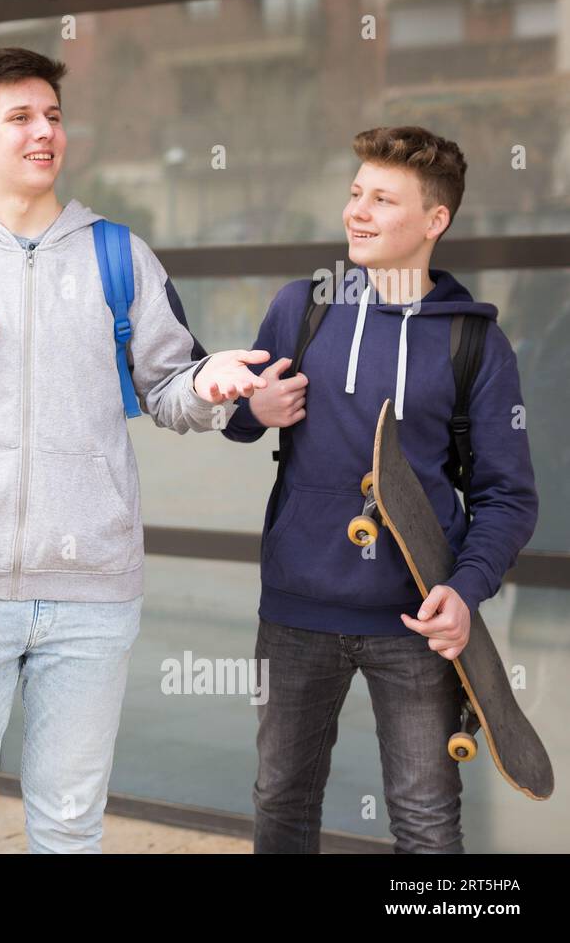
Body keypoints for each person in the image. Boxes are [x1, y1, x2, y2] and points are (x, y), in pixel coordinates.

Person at [0, 47, 267, 853]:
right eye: (21, 118)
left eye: (53, 116)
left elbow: (168, 389)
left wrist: (210, 387)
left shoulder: (121, 256)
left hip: (93, 591)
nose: (44, 132)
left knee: (70, 823)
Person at [223, 126, 539, 853]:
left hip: (417, 627)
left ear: (435, 221)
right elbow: (240, 422)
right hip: (296, 613)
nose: (357, 212)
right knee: (281, 803)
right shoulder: (302, 308)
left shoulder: (474, 343)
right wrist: (249, 409)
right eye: (356, 192)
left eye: (383, 199)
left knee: (427, 823)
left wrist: (464, 592)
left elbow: (507, 497)